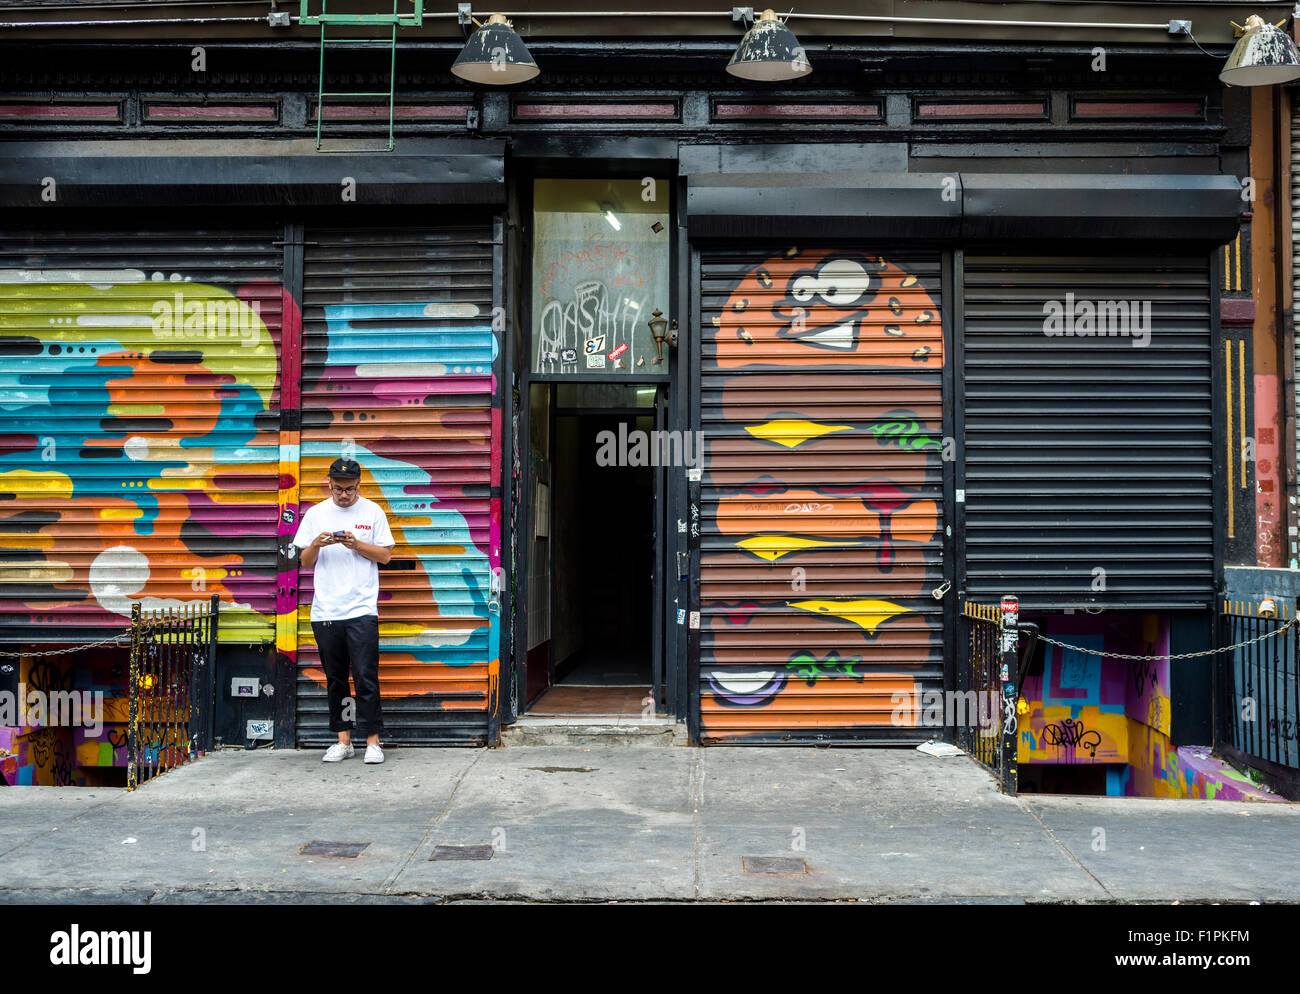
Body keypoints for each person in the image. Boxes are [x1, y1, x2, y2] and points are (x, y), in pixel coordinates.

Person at [293, 457, 395, 764]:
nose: (344, 495)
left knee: (366, 677)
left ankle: (373, 742)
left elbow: (386, 556)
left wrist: (357, 545)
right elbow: (305, 562)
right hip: (326, 612)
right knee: (336, 679)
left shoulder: (372, 511)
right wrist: (316, 544)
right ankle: (343, 740)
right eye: (338, 489)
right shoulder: (316, 513)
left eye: (349, 489)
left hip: (362, 609)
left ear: (359, 485)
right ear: (329, 483)